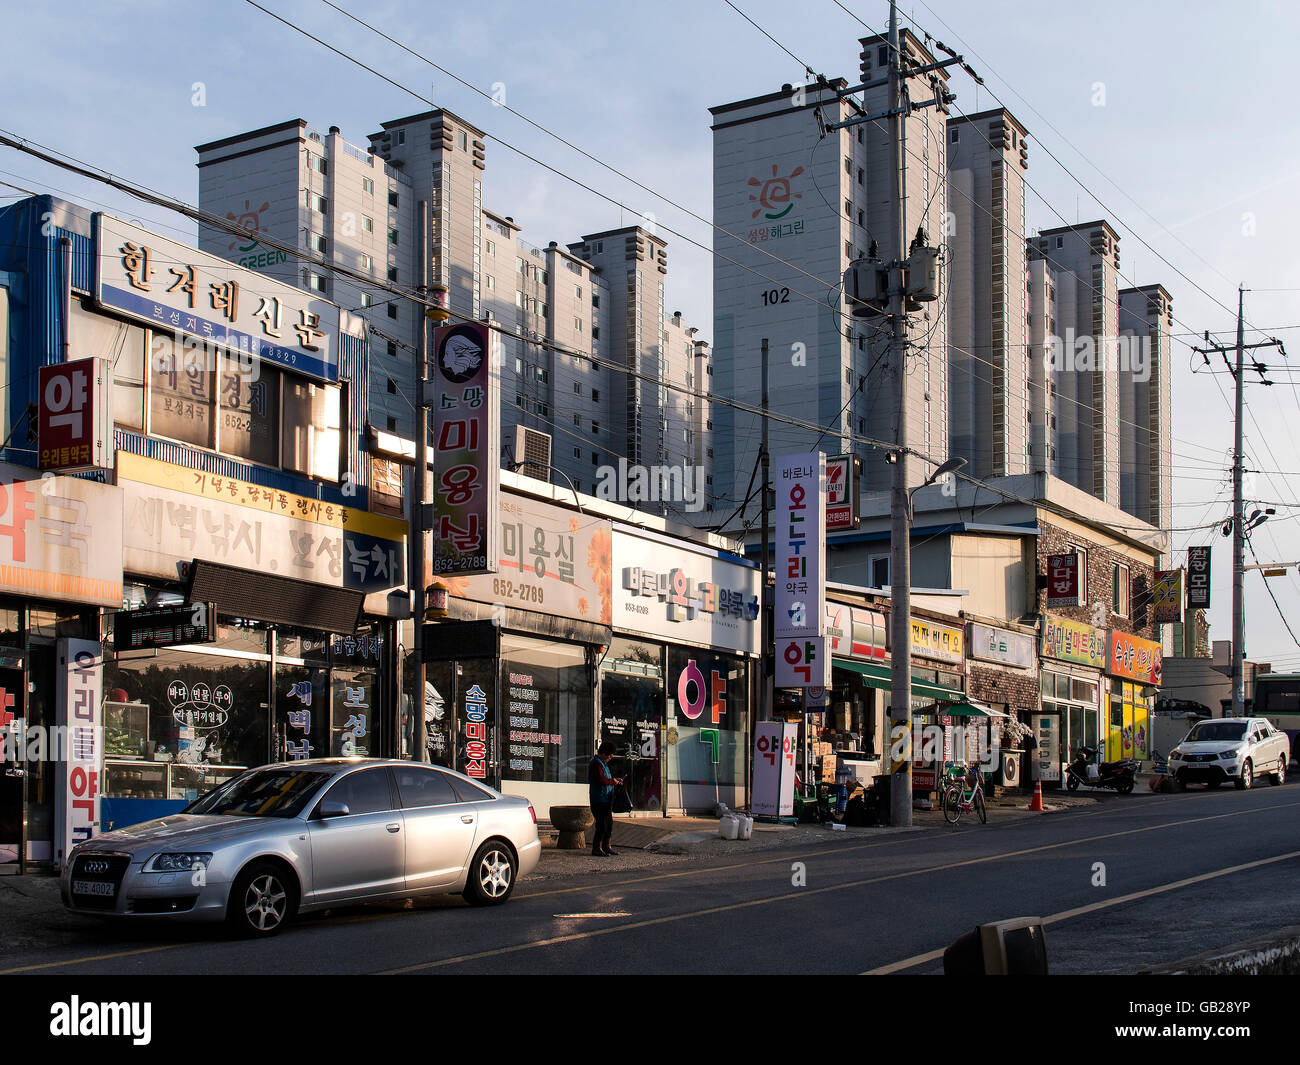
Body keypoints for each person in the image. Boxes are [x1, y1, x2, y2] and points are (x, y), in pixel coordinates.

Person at [588, 740, 622, 857]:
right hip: (599, 799)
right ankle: (596, 848)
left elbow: (606, 778)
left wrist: (614, 781)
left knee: (609, 824)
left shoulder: (603, 764)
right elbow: (601, 780)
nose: (611, 757)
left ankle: (606, 846)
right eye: (609, 754)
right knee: (601, 825)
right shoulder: (596, 764)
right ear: (603, 753)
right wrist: (613, 781)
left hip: (606, 799)